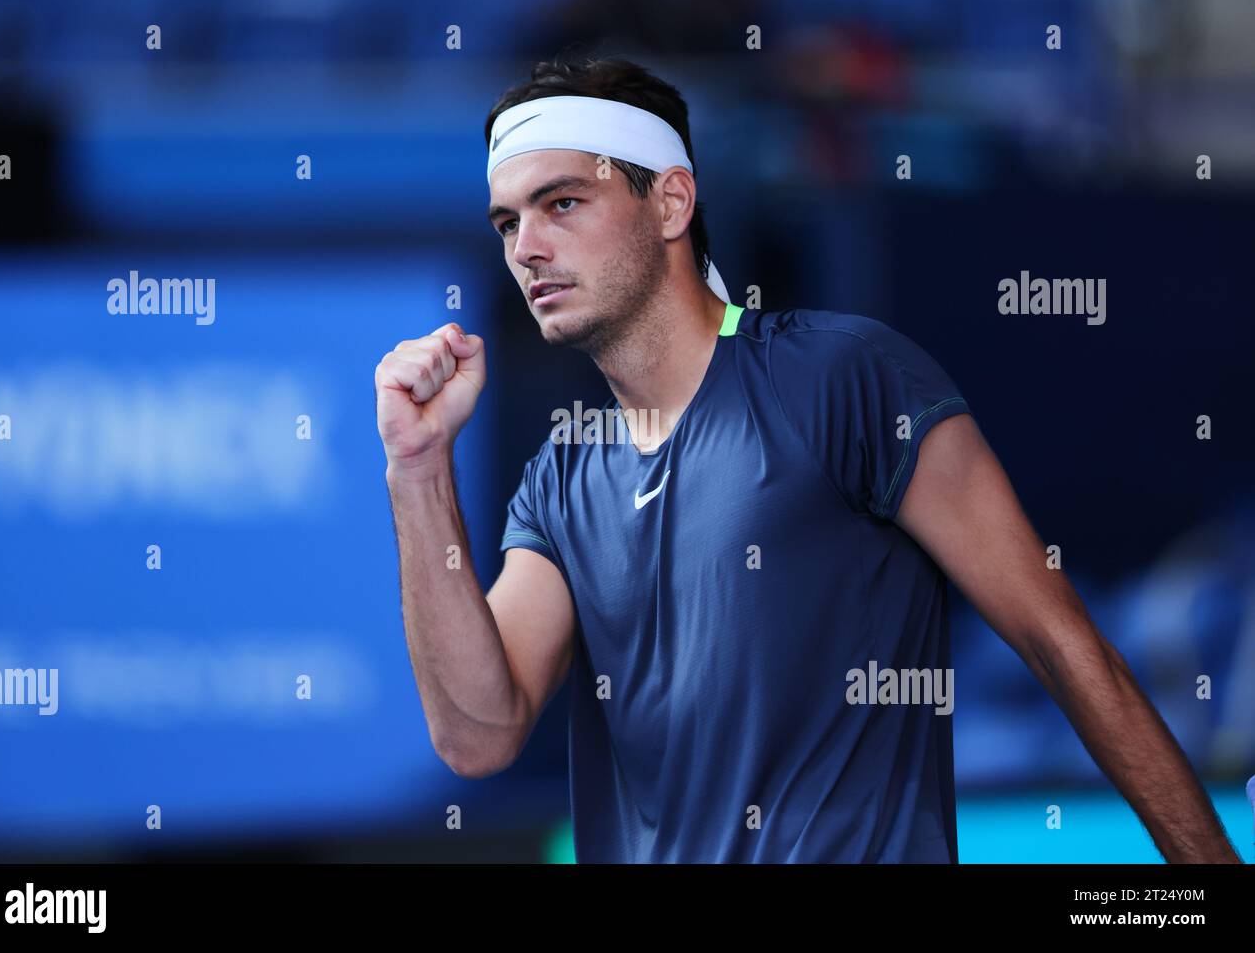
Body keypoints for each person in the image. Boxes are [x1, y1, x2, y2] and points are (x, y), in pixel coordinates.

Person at [374, 54, 1240, 863]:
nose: (525, 246)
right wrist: (416, 468)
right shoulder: (562, 476)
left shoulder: (844, 376)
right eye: (507, 220)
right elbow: (479, 736)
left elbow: (1061, 643)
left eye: (562, 203)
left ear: (671, 203)